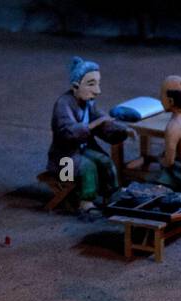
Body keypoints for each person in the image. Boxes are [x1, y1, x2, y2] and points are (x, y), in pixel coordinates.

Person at [48, 57, 124, 220]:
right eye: (91, 84)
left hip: (80, 151)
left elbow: (100, 119)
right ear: (76, 86)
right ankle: (85, 203)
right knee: (87, 167)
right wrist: (93, 124)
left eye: (98, 84)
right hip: (63, 161)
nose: (97, 91)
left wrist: (118, 130)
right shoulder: (63, 104)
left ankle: (112, 196)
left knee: (104, 161)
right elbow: (67, 133)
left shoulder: (88, 103)